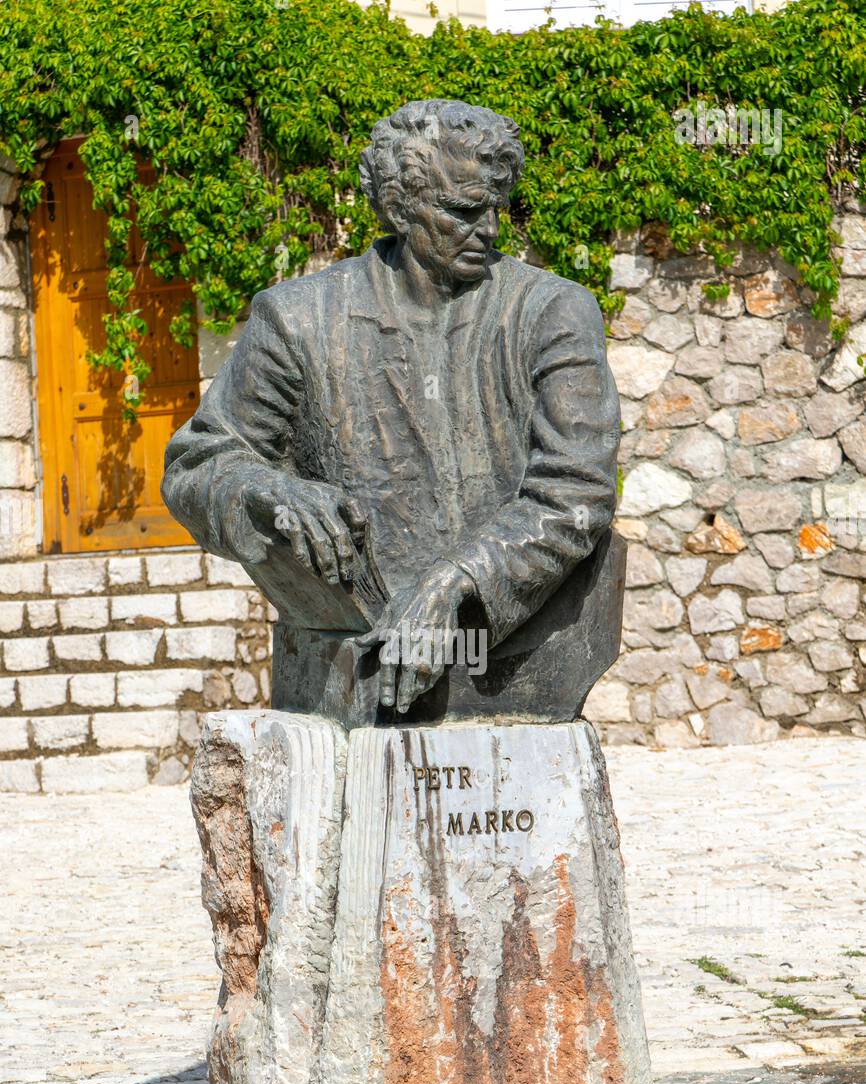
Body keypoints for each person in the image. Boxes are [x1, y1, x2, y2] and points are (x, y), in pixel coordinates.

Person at [162, 99, 620, 715]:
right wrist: (271, 493)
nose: (487, 229)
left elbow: (576, 491)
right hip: (349, 669)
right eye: (462, 211)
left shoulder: (551, 312)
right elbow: (197, 465)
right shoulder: (299, 319)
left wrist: (458, 580)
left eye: (496, 207)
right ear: (400, 207)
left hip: (513, 659)